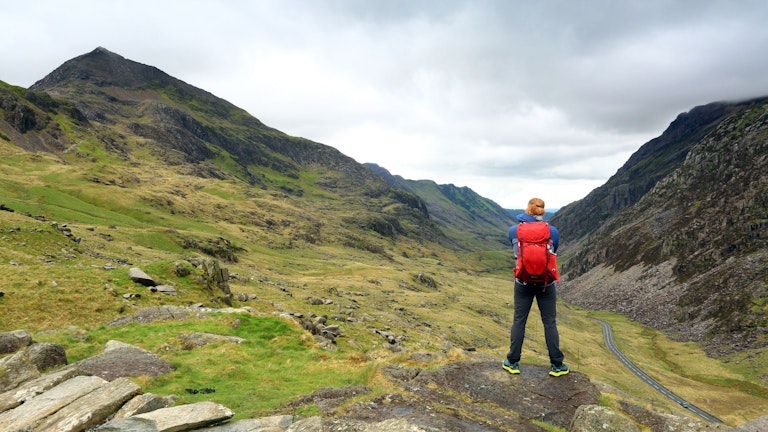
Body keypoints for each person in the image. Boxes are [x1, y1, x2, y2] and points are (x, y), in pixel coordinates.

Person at [502, 197, 568, 377]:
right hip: (546, 284)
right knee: (549, 322)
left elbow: (516, 252)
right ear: (543, 211)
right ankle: (557, 365)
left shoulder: (514, 230)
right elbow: (554, 251)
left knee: (519, 321)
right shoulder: (552, 232)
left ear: (528, 209)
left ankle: (512, 362)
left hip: (523, 283)